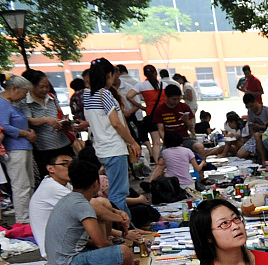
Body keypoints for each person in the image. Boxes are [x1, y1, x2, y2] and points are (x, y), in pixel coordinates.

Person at [45, 161, 136, 265]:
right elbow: (101, 243)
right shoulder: (82, 205)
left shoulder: (68, 199)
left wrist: (113, 254)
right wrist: (120, 255)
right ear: (96, 183)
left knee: (118, 252)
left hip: (59, 264)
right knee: (125, 252)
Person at [82, 58, 141, 215]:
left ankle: (127, 223)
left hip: (102, 149)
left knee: (117, 191)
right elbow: (116, 123)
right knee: (118, 193)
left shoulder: (88, 95)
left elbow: (93, 121)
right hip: (114, 148)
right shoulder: (105, 94)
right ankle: (122, 224)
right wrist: (133, 142)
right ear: (109, 75)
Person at [19, 70, 73, 173]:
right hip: (44, 147)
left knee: (69, 170)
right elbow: (28, 120)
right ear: (32, 86)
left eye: (47, 86)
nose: (45, 89)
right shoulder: (25, 101)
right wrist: (46, 120)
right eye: (41, 87)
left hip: (63, 142)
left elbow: (59, 113)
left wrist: (64, 122)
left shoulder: (51, 97)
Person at [0, 76, 37, 224]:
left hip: (23, 146)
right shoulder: (2, 103)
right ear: (14, 89)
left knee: (28, 183)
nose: (24, 97)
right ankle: (23, 219)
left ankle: (29, 215)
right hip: (14, 149)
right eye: (24, 93)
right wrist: (25, 133)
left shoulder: (12, 104)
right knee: (21, 185)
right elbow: (4, 126)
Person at [29, 153, 73, 257]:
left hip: (64, 243)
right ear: (50, 168)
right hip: (57, 253)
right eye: (64, 164)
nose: (70, 168)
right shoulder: (51, 187)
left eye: (72, 165)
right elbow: (89, 207)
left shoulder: (65, 184)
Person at [129, 65, 168, 160]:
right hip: (165, 114)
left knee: (156, 142)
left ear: (144, 74)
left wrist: (141, 107)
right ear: (156, 73)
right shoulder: (164, 85)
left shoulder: (141, 85)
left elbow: (129, 96)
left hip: (151, 115)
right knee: (167, 139)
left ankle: (157, 162)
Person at [238, 93, 268, 162]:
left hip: (266, 133)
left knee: (257, 135)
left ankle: (263, 159)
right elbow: (250, 126)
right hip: (255, 135)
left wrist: (259, 126)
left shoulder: (267, 111)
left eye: (252, 106)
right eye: (249, 107)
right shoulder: (250, 112)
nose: (251, 108)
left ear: (255, 101)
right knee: (240, 154)